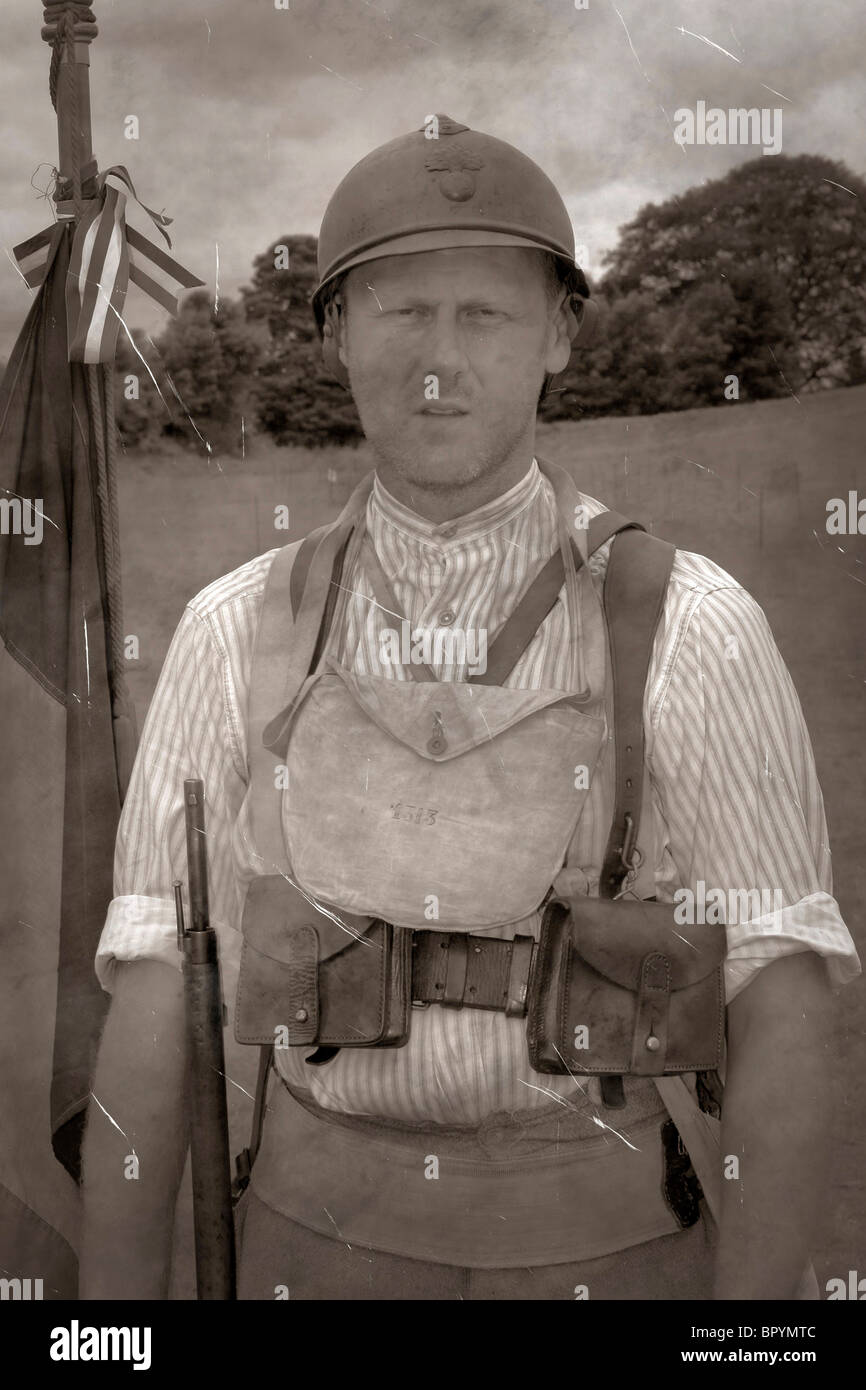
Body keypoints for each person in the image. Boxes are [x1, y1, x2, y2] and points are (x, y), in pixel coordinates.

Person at [80, 116, 859, 1301]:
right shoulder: (232, 630)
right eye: (398, 311)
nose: (437, 358)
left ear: (558, 333)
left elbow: (780, 1003)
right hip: (309, 1251)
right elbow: (153, 1002)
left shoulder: (689, 625)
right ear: (338, 333)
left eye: (483, 313)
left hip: (614, 1255)